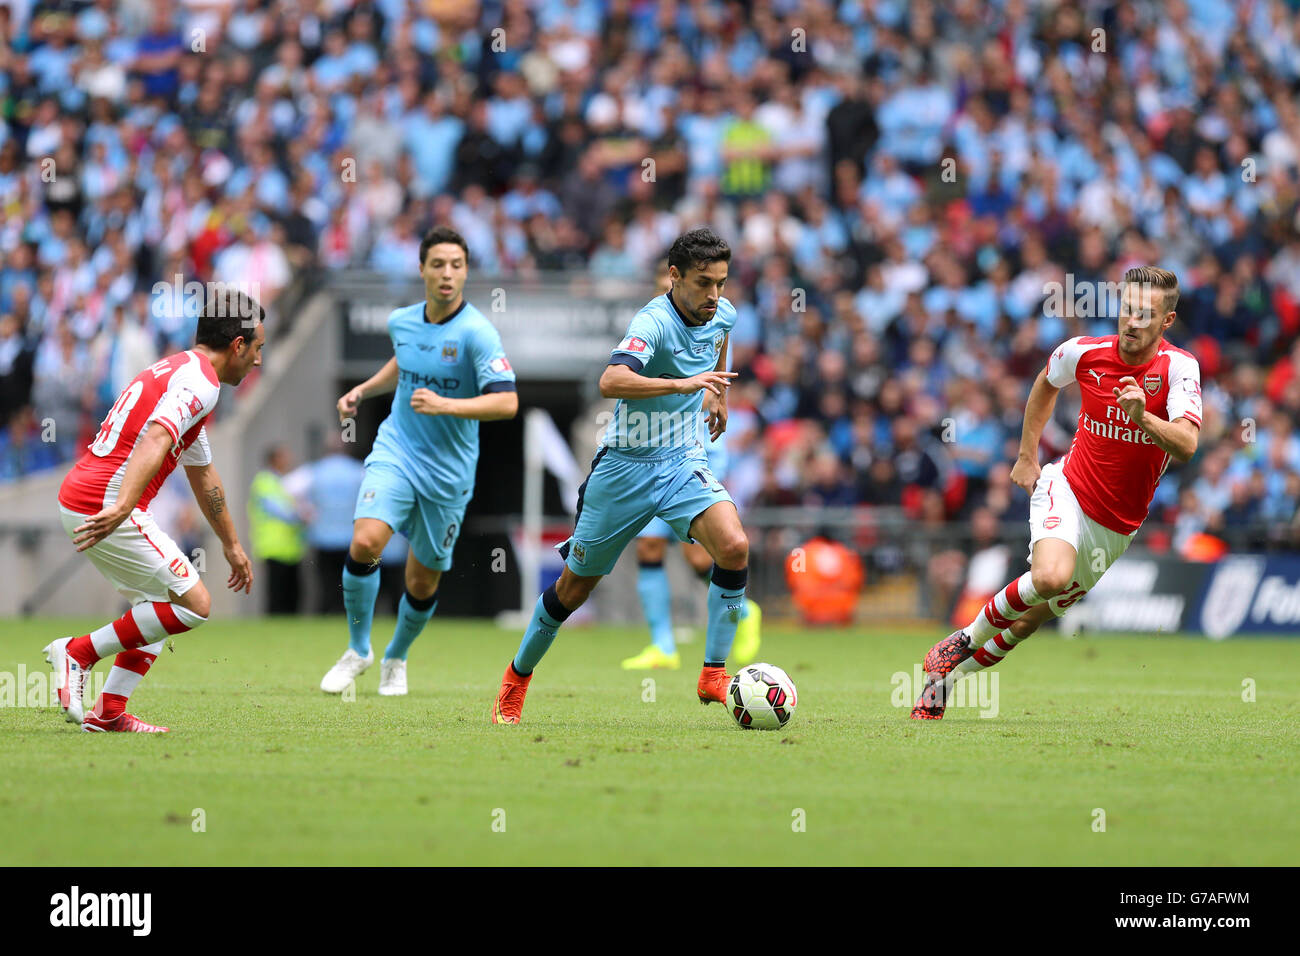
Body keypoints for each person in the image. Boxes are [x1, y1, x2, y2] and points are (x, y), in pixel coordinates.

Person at [911, 267, 1202, 718]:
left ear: (1166, 321)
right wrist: (1027, 456)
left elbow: (1186, 444)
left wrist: (1144, 417)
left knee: (1031, 618)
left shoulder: (1179, 368)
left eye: (1145, 315)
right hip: (1067, 488)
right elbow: (1045, 383)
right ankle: (961, 639)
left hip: (1117, 527)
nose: (1131, 322)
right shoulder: (1084, 352)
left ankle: (944, 683)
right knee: (1049, 576)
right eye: (1127, 309)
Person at [491, 227, 748, 724]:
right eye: (703, 283)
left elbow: (722, 340)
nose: (714, 295)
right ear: (673, 278)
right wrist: (683, 382)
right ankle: (516, 678)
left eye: (720, 282)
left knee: (734, 546)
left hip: (681, 462)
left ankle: (713, 672)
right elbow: (611, 380)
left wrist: (718, 395)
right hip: (624, 470)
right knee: (573, 589)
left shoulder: (724, 312)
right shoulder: (650, 321)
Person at [44, 290, 264, 733]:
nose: (259, 360)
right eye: (258, 348)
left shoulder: (181, 370)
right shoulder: (200, 384)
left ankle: (109, 713)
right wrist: (124, 504)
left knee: (158, 605)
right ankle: (78, 652)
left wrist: (232, 544)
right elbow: (155, 439)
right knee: (195, 605)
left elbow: (203, 475)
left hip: (90, 496)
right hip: (106, 501)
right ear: (237, 345)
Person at [319, 226, 517, 697]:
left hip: (449, 472)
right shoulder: (402, 322)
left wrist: (448, 406)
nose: (447, 274)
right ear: (422, 269)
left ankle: (397, 656)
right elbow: (404, 365)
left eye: (456, 265)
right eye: (438, 264)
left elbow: (507, 403)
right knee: (366, 540)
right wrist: (364, 390)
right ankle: (358, 648)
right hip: (398, 449)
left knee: (422, 577)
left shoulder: (477, 334)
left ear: (466, 272)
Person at [621, 265, 761, 671]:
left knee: (700, 555)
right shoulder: (658, 324)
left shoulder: (714, 319)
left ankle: (745, 611)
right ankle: (663, 646)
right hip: (652, 449)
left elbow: (722, 354)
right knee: (648, 546)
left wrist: (719, 398)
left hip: (694, 446)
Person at [248, 444, 307, 615]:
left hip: (290, 547)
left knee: (292, 593)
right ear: (274, 460)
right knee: (277, 593)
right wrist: (301, 515)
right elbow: (279, 510)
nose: (289, 460)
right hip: (273, 545)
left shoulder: (283, 481)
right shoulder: (265, 481)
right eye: (284, 456)